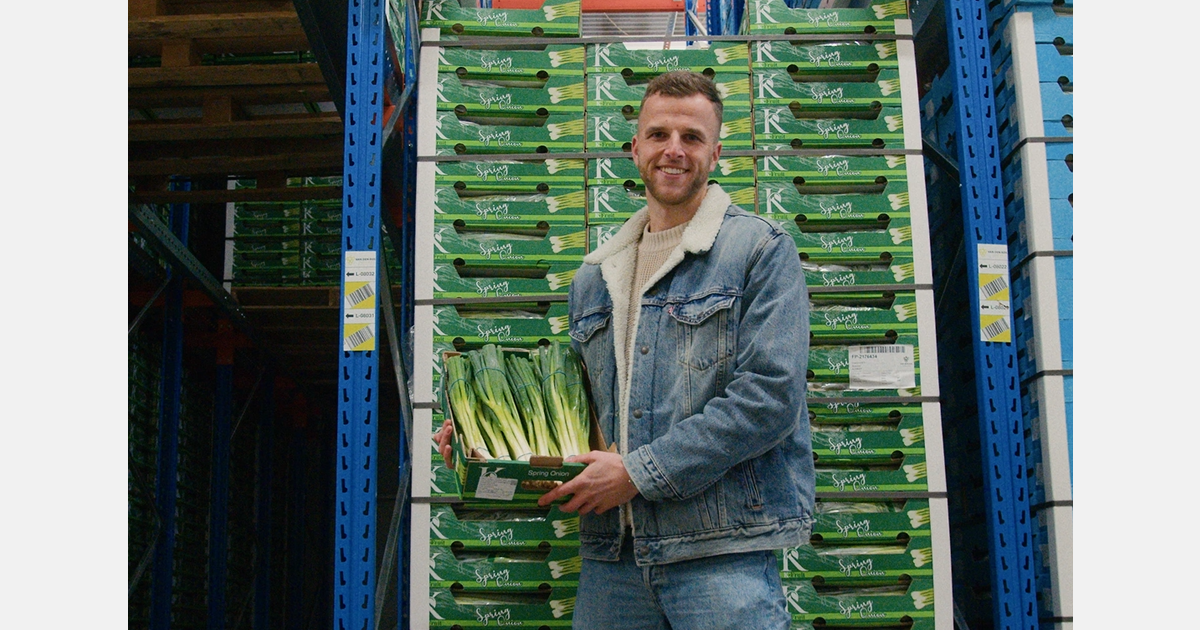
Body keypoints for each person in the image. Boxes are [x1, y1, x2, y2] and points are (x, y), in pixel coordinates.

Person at [434, 70, 814, 630]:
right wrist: (484, 444)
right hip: (613, 557)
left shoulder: (757, 250)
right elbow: (589, 421)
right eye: (659, 134)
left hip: (720, 552)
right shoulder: (595, 276)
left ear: (716, 152)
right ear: (635, 147)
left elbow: (769, 399)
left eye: (692, 137)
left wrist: (637, 473)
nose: (674, 151)